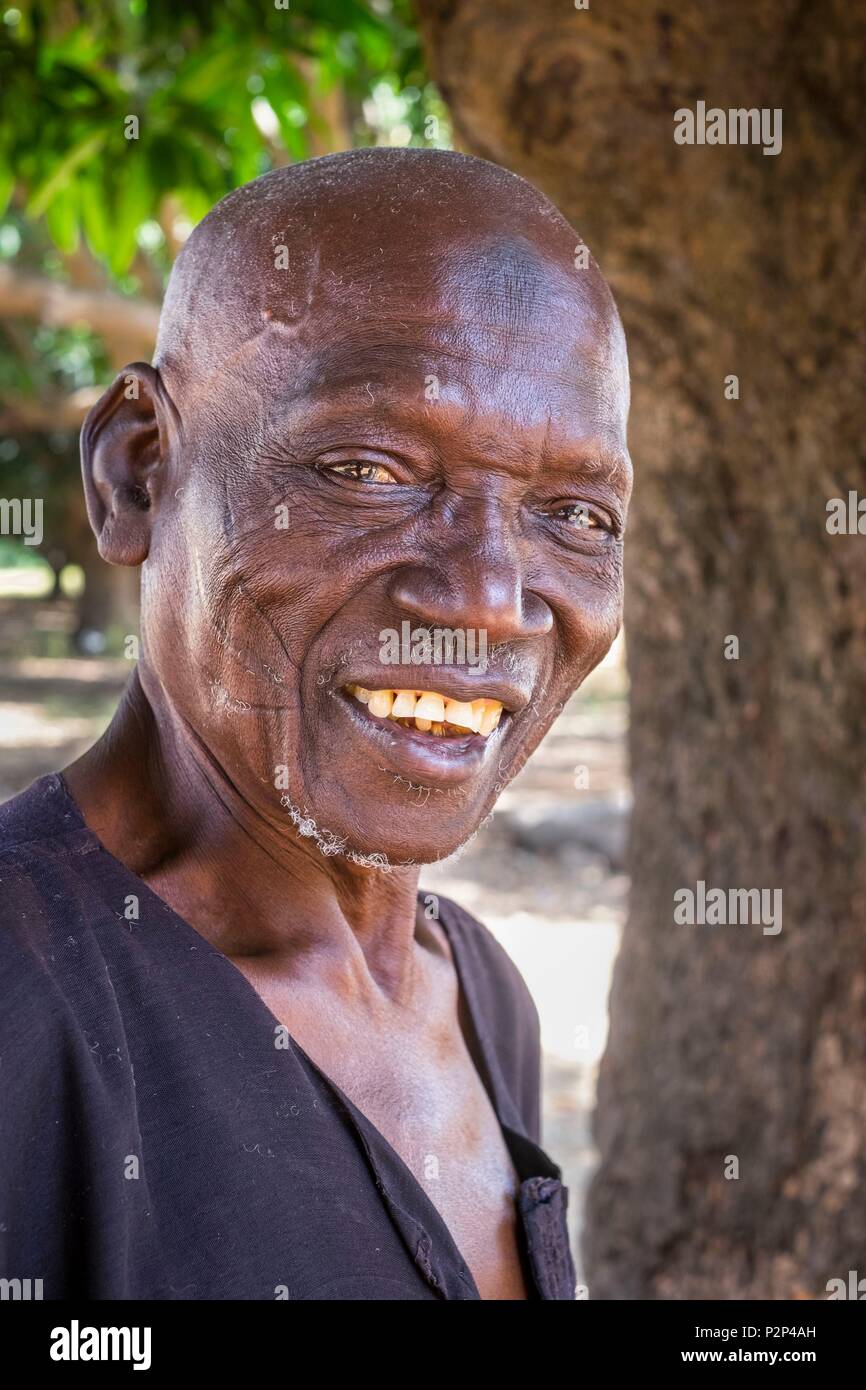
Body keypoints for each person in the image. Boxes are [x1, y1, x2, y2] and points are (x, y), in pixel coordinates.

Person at [0, 148, 631, 1300]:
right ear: (139, 473)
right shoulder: (23, 1013)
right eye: (369, 468)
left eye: (572, 513)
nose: (489, 595)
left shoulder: (477, 994)